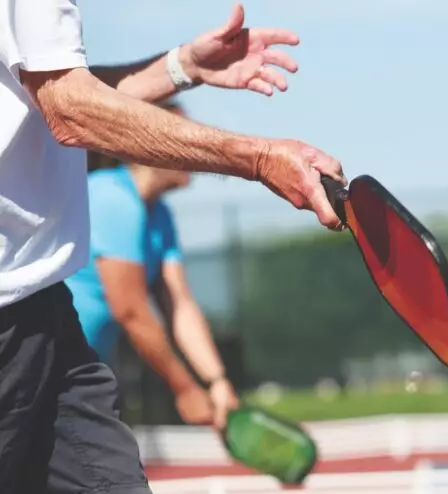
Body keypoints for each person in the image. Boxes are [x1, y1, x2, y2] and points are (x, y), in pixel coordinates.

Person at [0, 1, 346, 493]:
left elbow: (40, 92)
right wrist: (259, 158)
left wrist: (183, 67)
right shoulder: (116, 203)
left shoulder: (157, 218)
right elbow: (68, 109)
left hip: (47, 319)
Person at [66, 99, 238, 431]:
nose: (197, 150)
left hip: (72, 376)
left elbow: (179, 305)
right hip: (32, 371)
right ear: (149, 146)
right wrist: (185, 389)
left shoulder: (160, 216)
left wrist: (216, 381)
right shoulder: (112, 199)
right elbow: (131, 311)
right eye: (183, 139)